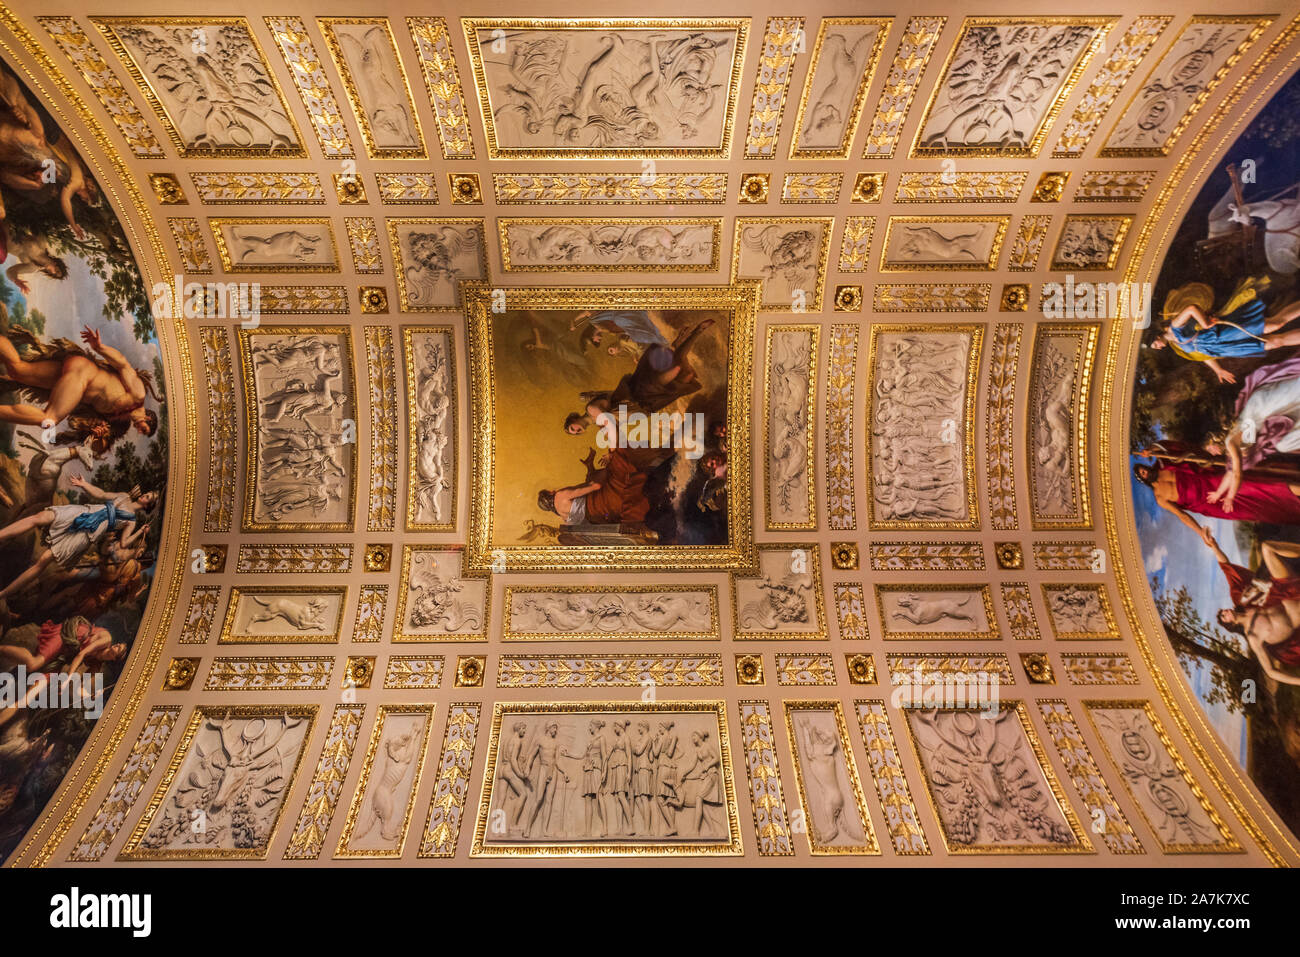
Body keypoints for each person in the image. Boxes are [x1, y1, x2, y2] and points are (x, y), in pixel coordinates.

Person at [0, 475, 155, 600]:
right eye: (146, 494)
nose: (144, 495)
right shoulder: (124, 496)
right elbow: (101, 494)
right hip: (83, 512)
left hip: (88, 533)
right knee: (39, 517)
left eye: (148, 497)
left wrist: (140, 531)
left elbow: (124, 542)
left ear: (148, 506)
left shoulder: (132, 521)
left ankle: (3, 594)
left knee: (43, 561)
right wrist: (84, 484)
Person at [0, 325, 158, 436]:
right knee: (48, 419)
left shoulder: (119, 419)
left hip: (74, 376)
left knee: (18, 371)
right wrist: (99, 348)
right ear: (148, 419)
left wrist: (95, 430)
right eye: (143, 429)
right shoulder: (138, 395)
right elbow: (123, 364)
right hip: (83, 375)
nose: (138, 430)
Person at [1152, 279, 1300, 383]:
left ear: (1156, 336)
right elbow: (1202, 355)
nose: (1158, 347)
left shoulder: (1174, 327)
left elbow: (1191, 309)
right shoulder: (1177, 346)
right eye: (1156, 348)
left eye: (1155, 344)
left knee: (1276, 324)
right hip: (1227, 348)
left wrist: (1204, 322)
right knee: (1275, 342)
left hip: (1224, 332)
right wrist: (1218, 370)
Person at [1206, 534, 1300, 685]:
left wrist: (1215, 547)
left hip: (1293, 594)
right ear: (1231, 624)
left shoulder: (1245, 602)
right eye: (1224, 616)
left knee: (1267, 548)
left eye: (1223, 611)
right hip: (1296, 626)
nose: (1225, 611)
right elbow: (1271, 672)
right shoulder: (1253, 637)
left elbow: (1227, 568)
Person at [1134, 458, 1300, 528]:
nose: (1145, 472)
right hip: (1210, 503)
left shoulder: (1164, 466)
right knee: (1255, 510)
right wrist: (1201, 533)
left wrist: (1152, 449)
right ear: (1144, 480)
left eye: (1144, 469)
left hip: (1211, 482)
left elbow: (1168, 448)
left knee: (1260, 486)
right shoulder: (1159, 497)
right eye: (1142, 474)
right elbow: (1182, 516)